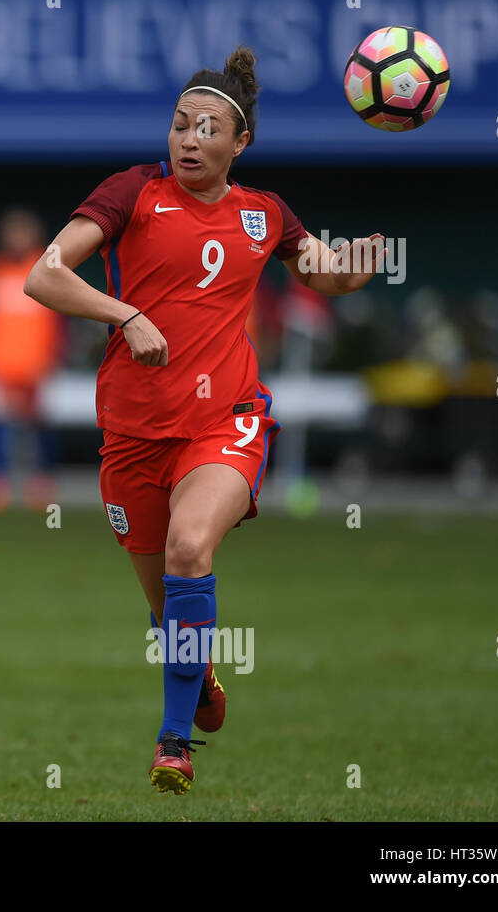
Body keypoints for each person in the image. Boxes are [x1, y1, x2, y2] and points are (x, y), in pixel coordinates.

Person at [24, 47, 385, 794]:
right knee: (167, 610)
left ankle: (173, 742)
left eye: (208, 128)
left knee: (192, 548)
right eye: (180, 124)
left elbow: (322, 272)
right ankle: (198, 674)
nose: (189, 139)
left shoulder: (266, 213)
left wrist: (354, 265)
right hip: (131, 434)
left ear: (240, 142)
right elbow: (44, 274)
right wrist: (126, 313)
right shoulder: (131, 193)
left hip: (226, 420)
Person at [0, 208, 65, 512]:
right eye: (12, 232)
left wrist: (50, 357)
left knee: (37, 425)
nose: (17, 239)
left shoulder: (47, 267)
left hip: (35, 362)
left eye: (22, 232)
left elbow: (55, 319)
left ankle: (41, 482)